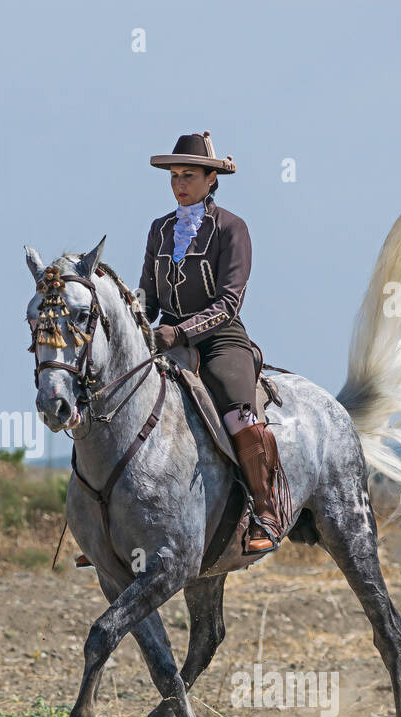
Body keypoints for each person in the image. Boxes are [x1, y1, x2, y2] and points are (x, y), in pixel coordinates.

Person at [142, 130, 283, 555]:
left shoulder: (232, 229)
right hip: (165, 336)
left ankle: (265, 510)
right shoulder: (160, 229)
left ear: (210, 180)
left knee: (239, 413)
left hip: (221, 340)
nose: (179, 184)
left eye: (188, 175)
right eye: (174, 176)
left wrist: (181, 332)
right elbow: (148, 294)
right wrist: (133, 322)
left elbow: (229, 301)